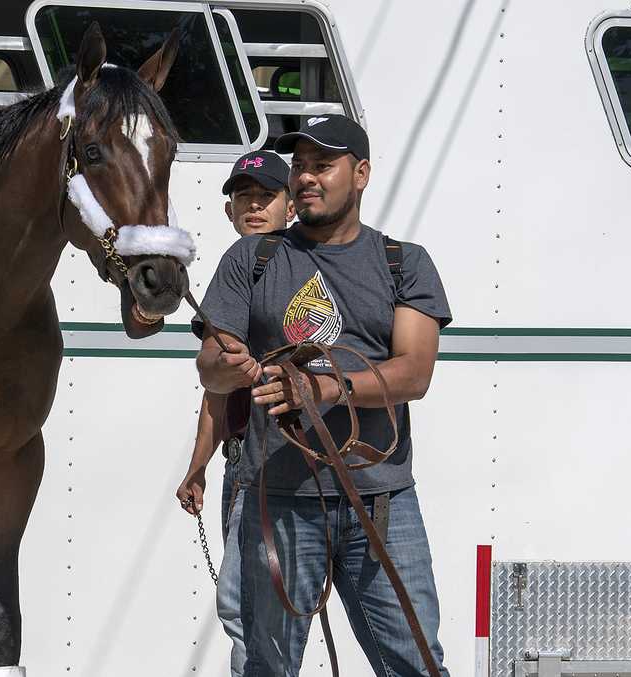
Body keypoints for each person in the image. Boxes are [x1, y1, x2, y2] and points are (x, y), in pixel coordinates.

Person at [195, 115, 452, 676]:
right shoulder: (252, 258)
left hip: (382, 503)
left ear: (360, 174)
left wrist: (326, 388)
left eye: (323, 165)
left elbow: (414, 374)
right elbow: (211, 373)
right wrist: (225, 365)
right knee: (269, 665)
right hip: (279, 501)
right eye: (301, 166)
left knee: (415, 661)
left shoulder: (403, 262)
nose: (307, 177)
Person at [176, 150, 293, 676]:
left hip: (293, 469)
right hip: (243, 466)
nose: (253, 206)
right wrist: (199, 466)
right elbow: (215, 396)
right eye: (243, 197)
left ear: (290, 205)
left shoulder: (299, 265)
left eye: (266, 196)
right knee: (247, 607)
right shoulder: (236, 272)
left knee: (252, 608)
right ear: (228, 211)